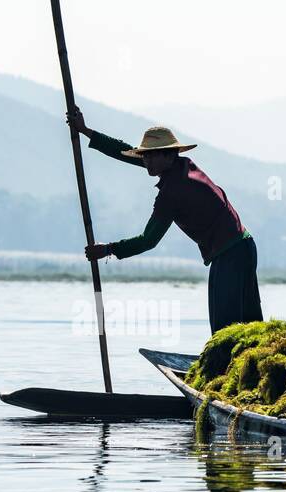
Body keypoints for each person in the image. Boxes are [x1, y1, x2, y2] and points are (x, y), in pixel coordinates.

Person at [69, 109, 263, 334]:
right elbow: (124, 151)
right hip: (244, 247)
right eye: (145, 155)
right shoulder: (183, 165)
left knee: (225, 330)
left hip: (230, 253)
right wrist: (85, 131)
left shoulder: (172, 192)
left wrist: (109, 249)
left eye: (152, 155)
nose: (147, 160)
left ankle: (223, 367)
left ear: (169, 155)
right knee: (250, 326)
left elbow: (148, 241)